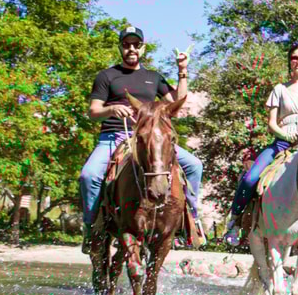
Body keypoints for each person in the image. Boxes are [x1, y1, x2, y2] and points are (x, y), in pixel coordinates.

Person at [78, 26, 204, 253]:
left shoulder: (153, 78)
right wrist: (112, 109)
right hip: (114, 136)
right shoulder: (106, 76)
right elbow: (93, 110)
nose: (131, 49)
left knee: (195, 166)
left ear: (142, 48)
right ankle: (91, 229)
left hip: (151, 140)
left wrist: (182, 71)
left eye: (136, 45)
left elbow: (176, 103)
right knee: (88, 175)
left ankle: (191, 220)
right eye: (126, 45)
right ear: (120, 48)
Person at [221, 41, 298, 246]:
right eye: (295, 58)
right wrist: (287, 137)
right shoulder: (279, 90)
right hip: (281, 144)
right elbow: (271, 124)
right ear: (290, 61)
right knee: (250, 178)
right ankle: (235, 222)